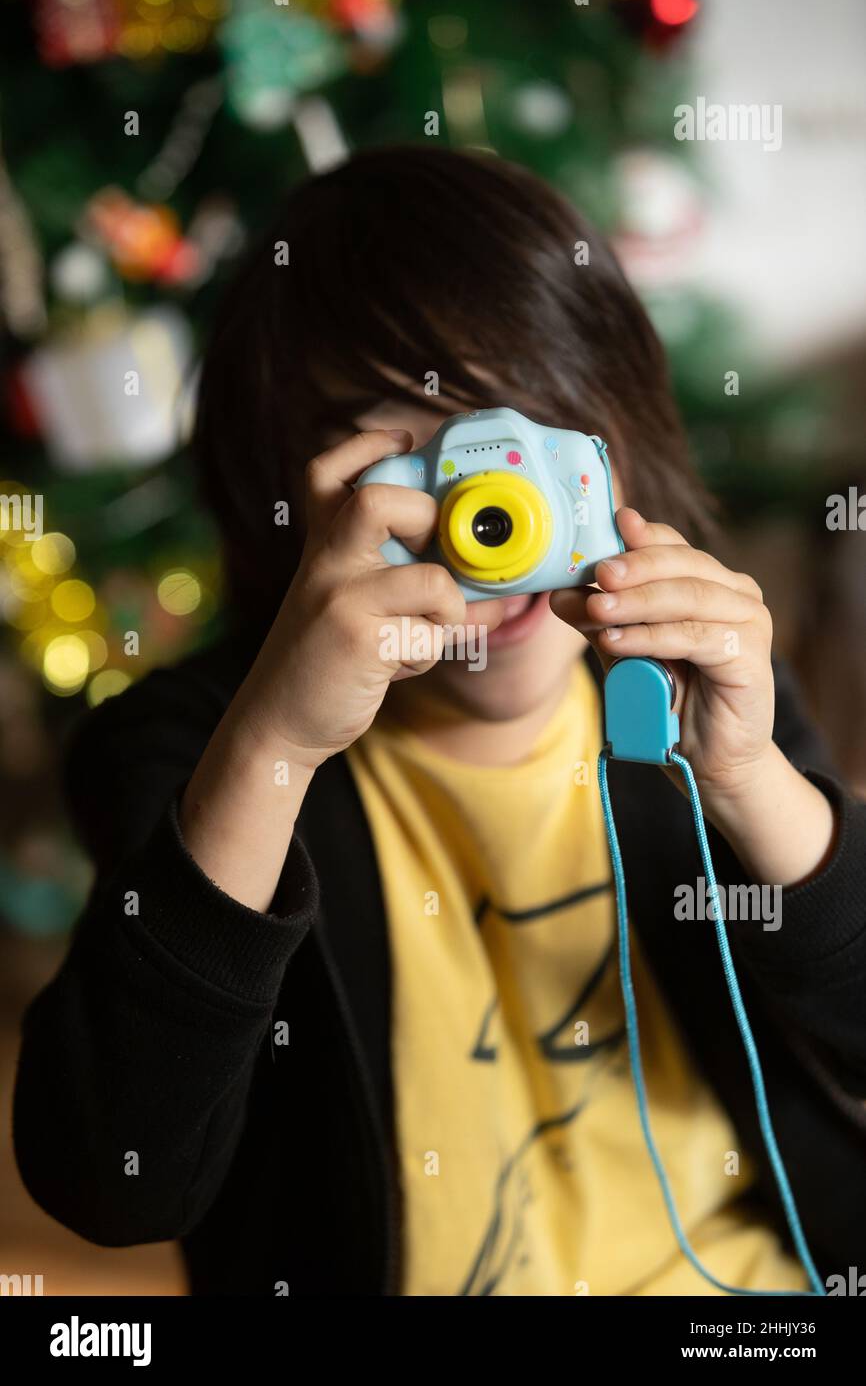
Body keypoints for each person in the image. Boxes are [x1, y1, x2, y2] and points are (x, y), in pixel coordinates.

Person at [13, 146, 866, 1297]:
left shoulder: (682, 687)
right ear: (296, 499)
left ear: (618, 437)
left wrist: (752, 778)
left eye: (526, 440)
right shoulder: (200, 747)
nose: (486, 518)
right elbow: (114, 1179)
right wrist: (272, 746)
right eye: (405, 456)